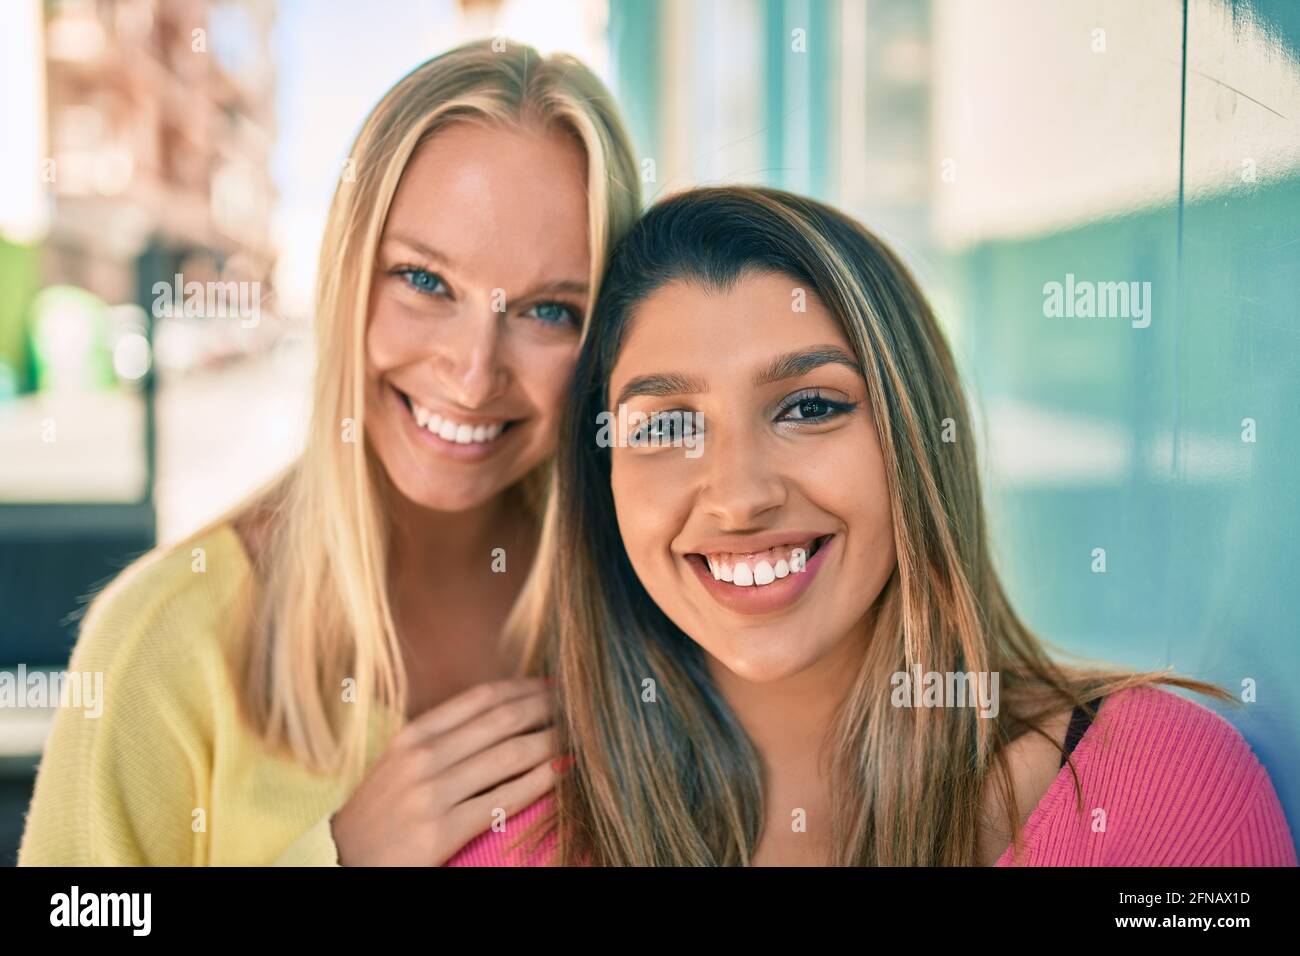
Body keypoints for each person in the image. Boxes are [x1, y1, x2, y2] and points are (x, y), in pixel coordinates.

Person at [458, 185, 1297, 866]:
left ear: (914, 439)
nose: (739, 496)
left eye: (811, 406)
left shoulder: (1161, 795)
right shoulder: (510, 827)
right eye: (665, 426)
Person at [18, 39, 640, 866]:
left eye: (550, 311)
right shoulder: (165, 637)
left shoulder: (645, 598)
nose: (472, 369)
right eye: (425, 281)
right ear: (347, 276)